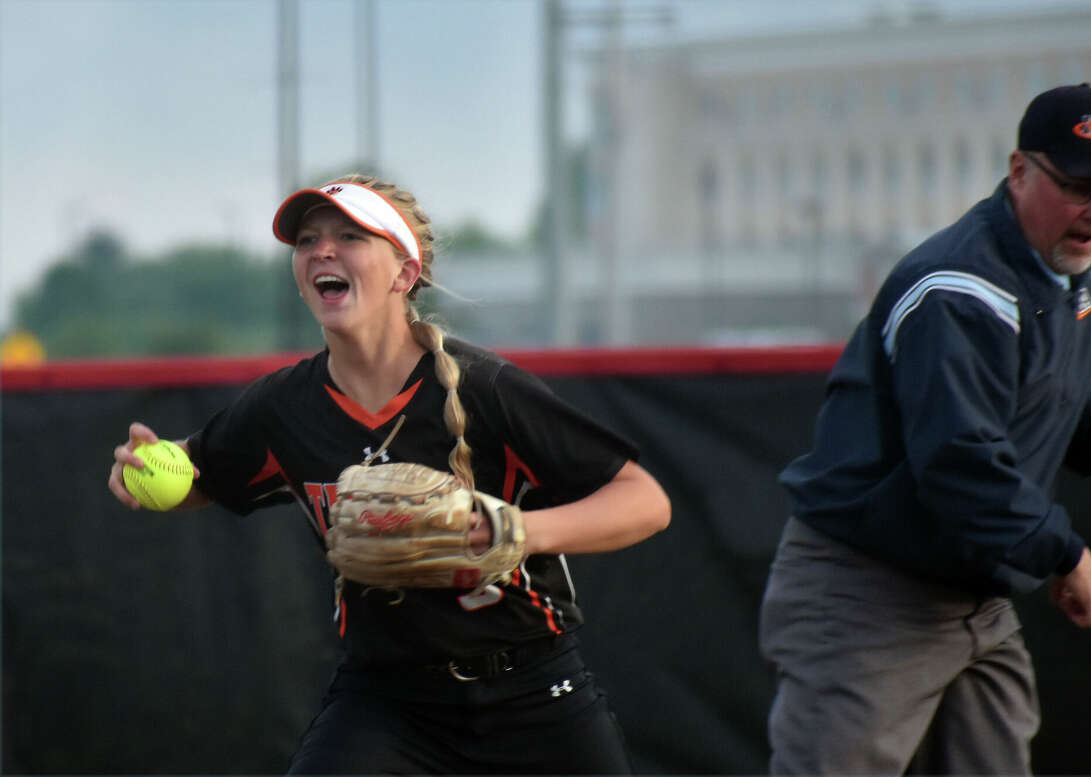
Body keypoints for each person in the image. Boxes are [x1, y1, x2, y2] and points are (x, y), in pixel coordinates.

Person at [108, 174, 671, 774]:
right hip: (388, 703)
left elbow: (644, 501)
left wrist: (517, 530)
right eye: (307, 240)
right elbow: (203, 477)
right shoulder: (282, 408)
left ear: (404, 273)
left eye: (350, 236)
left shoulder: (486, 391)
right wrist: (149, 470)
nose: (322, 251)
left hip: (533, 693)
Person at [759, 83, 1091, 775]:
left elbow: (1042, 391)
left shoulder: (1064, 279)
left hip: (974, 597)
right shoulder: (959, 286)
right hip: (870, 595)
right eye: (1077, 187)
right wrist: (1066, 552)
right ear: (1019, 171)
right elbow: (959, 461)